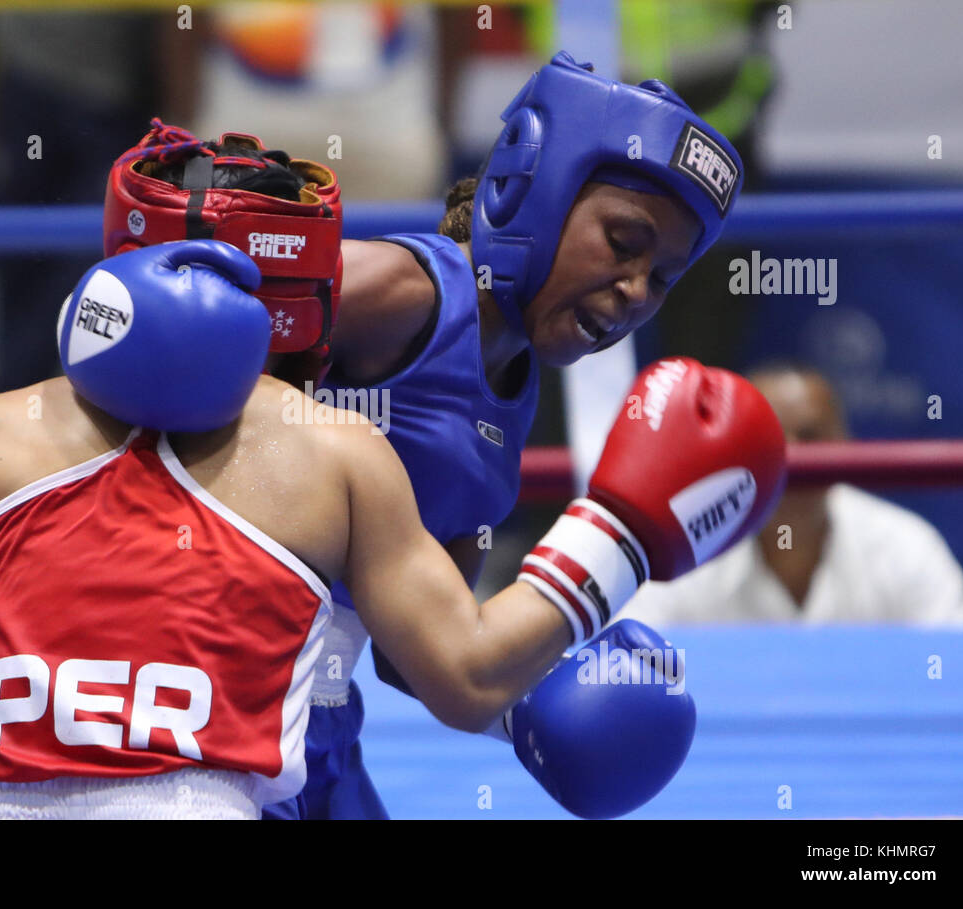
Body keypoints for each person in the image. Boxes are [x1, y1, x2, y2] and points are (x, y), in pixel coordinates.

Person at [0, 131, 784, 820]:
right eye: (624, 243)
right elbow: (460, 663)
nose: (636, 290)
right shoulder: (339, 457)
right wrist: (619, 530)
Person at [295, 50, 748, 818]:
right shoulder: (408, 293)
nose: (636, 290)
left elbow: (426, 649)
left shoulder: (511, 392)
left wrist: (534, 708)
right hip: (209, 706)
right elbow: (171, 333)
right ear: (536, 194)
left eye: (663, 276)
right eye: (623, 241)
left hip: (320, 726)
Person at [622, 362, 963, 627]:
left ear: (845, 446)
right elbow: (633, 674)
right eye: (769, 436)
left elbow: (956, 678)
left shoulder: (907, 548)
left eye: (809, 436)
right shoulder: (684, 556)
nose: (790, 458)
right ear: (732, 449)